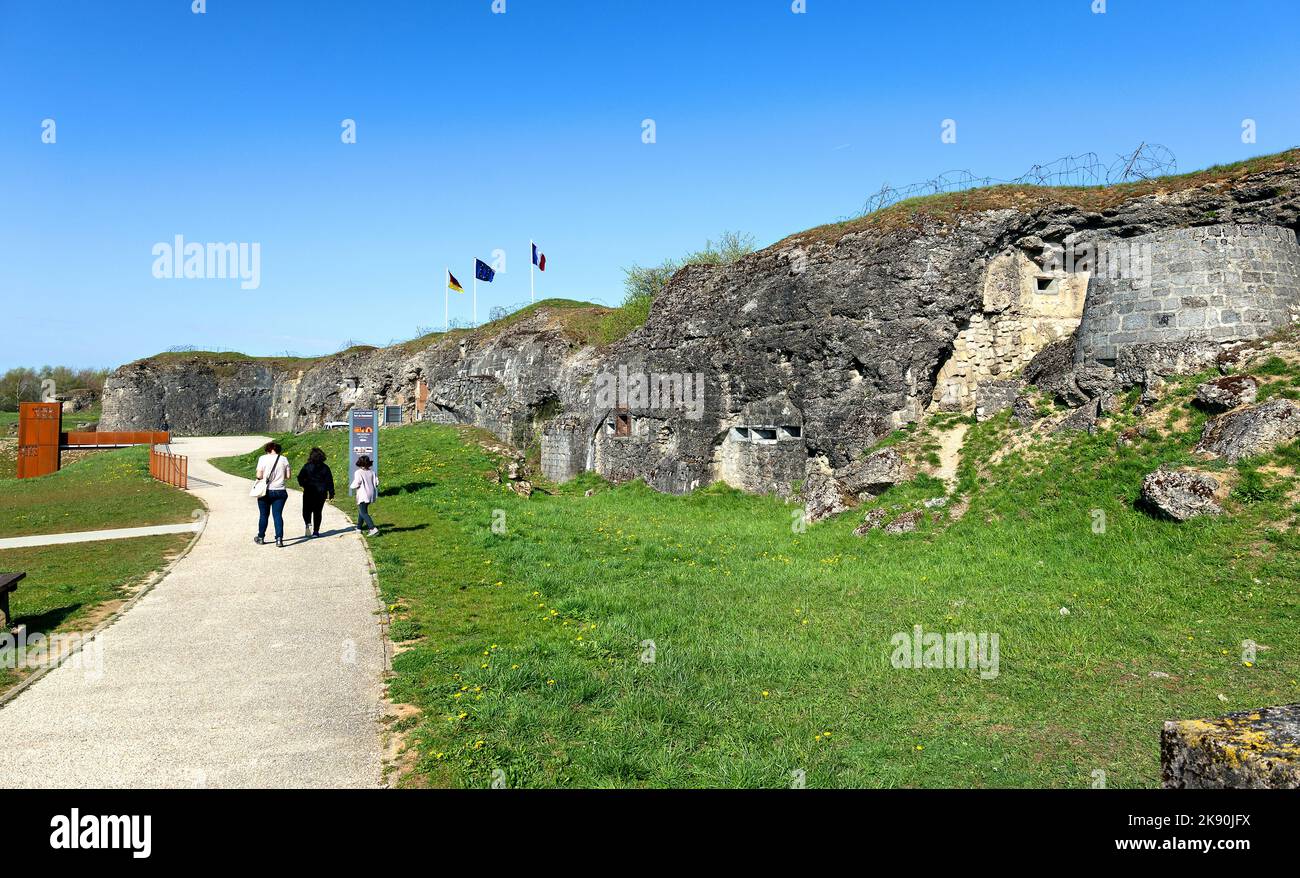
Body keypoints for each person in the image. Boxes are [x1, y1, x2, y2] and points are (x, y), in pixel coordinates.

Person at [254, 441, 292, 548]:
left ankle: (261, 537)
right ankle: (279, 539)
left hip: (265, 491)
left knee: (263, 515)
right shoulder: (284, 459)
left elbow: (259, 475)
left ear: (268, 450)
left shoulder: (262, 458)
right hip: (280, 490)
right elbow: (288, 476)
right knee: (278, 515)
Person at [296, 447, 336, 538]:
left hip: (309, 491)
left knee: (306, 510)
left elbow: (300, 477)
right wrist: (331, 493)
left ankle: (308, 523)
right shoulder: (325, 467)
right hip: (321, 492)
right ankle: (316, 531)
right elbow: (330, 481)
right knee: (318, 512)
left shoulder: (307, 466)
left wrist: (303, 484)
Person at [350, 455, 379, 537]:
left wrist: (351, 486)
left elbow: (357, 483)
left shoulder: (358, 472)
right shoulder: (372, 472)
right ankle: (359, 528)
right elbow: (377, 482)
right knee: (362, 510)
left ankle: (372, 528)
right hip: (371, 493)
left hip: (363, 494)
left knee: (363, 512)